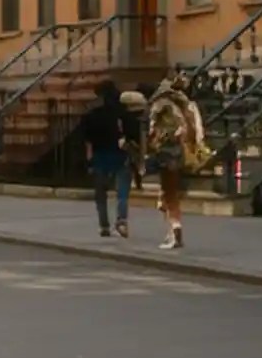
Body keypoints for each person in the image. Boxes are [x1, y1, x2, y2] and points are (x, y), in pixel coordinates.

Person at [146, 76, 207, 250]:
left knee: (169, 195)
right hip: (181, 153)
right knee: (170, 192)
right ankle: (171, 230)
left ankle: (175, 228)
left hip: (166, 153)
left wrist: (152, 144)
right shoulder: (184, 106)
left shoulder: (161, 106)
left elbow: (152, 131)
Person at [81, 80, 132, 238]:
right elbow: (130, 134)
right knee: (122, 191)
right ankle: (121, 221)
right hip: (120, 154)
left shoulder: (92, 114)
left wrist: (89, 160)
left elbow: (88, 140)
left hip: (100, 155)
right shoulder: (123, 112)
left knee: (101, 193)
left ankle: (104, 225)